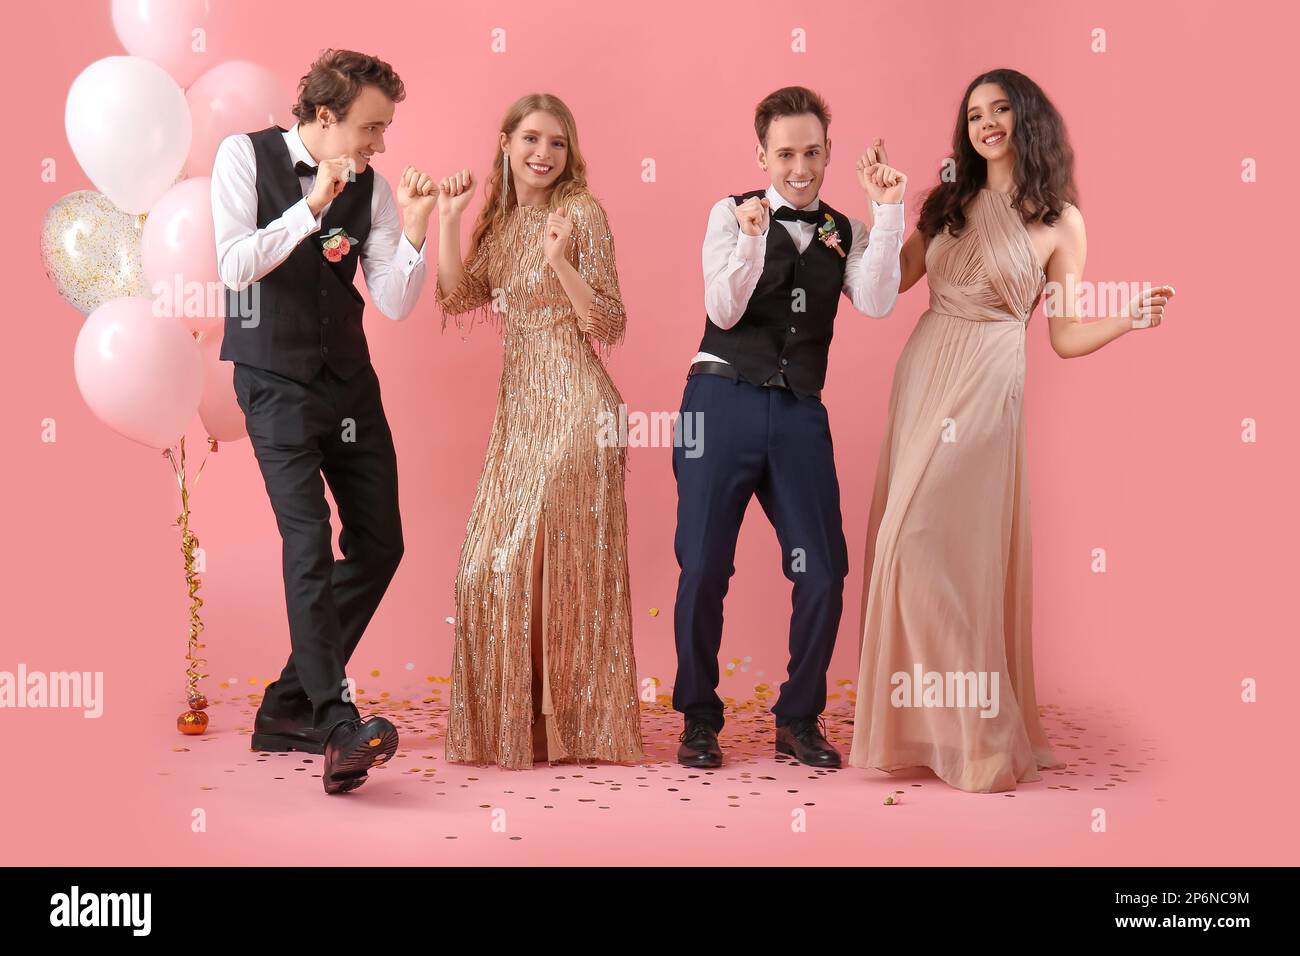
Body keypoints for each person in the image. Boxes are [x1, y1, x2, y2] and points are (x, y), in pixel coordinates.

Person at [848, 68, 1175, 792]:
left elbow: (1062, 334)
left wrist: (1128, 319)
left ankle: (983, 736)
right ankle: (930, 730)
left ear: (1027, 119)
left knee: (934, 547)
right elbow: (891, 282)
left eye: (999, 110)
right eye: (973, 115)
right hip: (926, 370)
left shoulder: (1061, 221)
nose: (986, 123)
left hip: (989, 382)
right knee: (903, 545)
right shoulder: (950, 201)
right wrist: (886, 206)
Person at [212, 49, 437, 794]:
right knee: (306, 541)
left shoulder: (371, 186)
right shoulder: (240, 159)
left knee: (381, 543)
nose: (379, 144)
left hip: (348, 383)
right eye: (371, 128)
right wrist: (308, 210)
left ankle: (287, 707)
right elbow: (236, 264)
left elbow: (395, 302)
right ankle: (336, 722)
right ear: (324, 116)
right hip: (273, 382)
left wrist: (414, 231)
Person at [671, 86, 906, 769]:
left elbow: (879, 301)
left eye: (811, 152)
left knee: (825, 570)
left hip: (800, 407)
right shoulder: (730, 211)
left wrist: (886, 211)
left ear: (828, 151)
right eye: (784, 154)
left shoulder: (843, 228)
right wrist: (749, 242)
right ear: (762, 155)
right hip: (720, 398)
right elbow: (722, 304)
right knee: (704, 565)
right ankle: (699, 717)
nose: (798, 167)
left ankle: (798, 718)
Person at [435, 93, 645, 769]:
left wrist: (561, 263)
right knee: (484, 571)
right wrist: (447, 220)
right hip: (521, 417)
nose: (543, 154)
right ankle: (521, 728)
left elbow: (609, 325)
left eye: (556, 142)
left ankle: (574, 730)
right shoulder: (500, 224)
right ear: (505, 142)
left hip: (580, 411)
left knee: (561, 576)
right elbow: (455, 296)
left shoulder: (580, 213)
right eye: (530, 138)